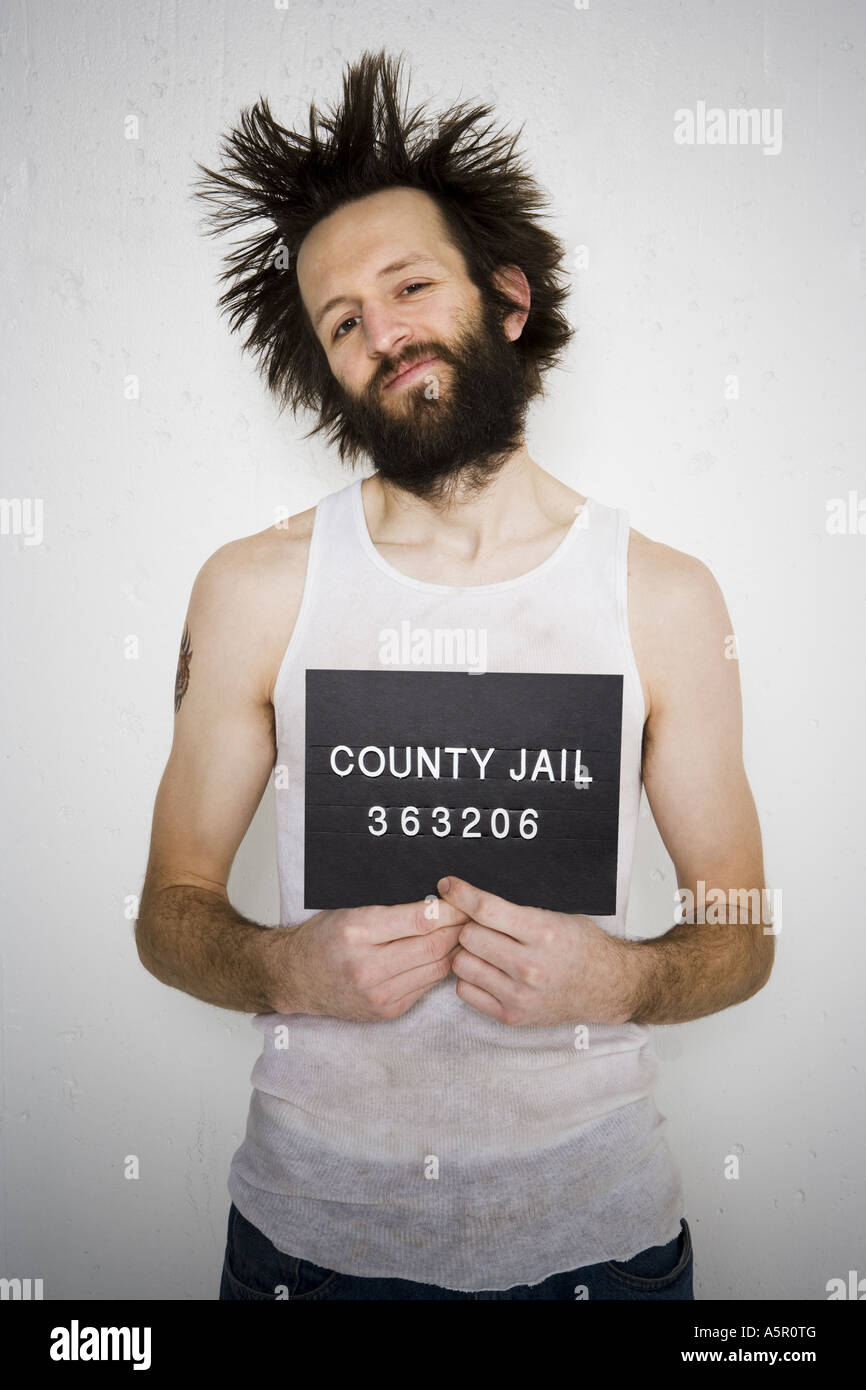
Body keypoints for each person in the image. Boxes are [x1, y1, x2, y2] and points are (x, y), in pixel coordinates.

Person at [136, 49, 774, 1301]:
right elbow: (167, 909)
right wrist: (279, 966)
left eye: (408, 286)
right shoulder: (254, 588)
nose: (383, 335)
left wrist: (629, 978)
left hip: (599, 1245)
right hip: (307, 1247)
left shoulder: (665, 597)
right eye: (342, 323)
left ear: (506, 299)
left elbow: (743, 934)